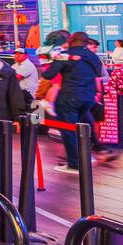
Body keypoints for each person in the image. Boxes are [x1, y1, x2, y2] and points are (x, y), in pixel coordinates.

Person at [35, 31, 106, 175]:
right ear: (86, 42)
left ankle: (75, 164)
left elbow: (48, 74)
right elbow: (99, 73)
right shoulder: (93, 56)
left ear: (71, 40)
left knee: (68, 130)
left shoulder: (64, 55)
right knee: (83, 126)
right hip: (88, 97)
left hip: (69, 97)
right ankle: (88, 156)